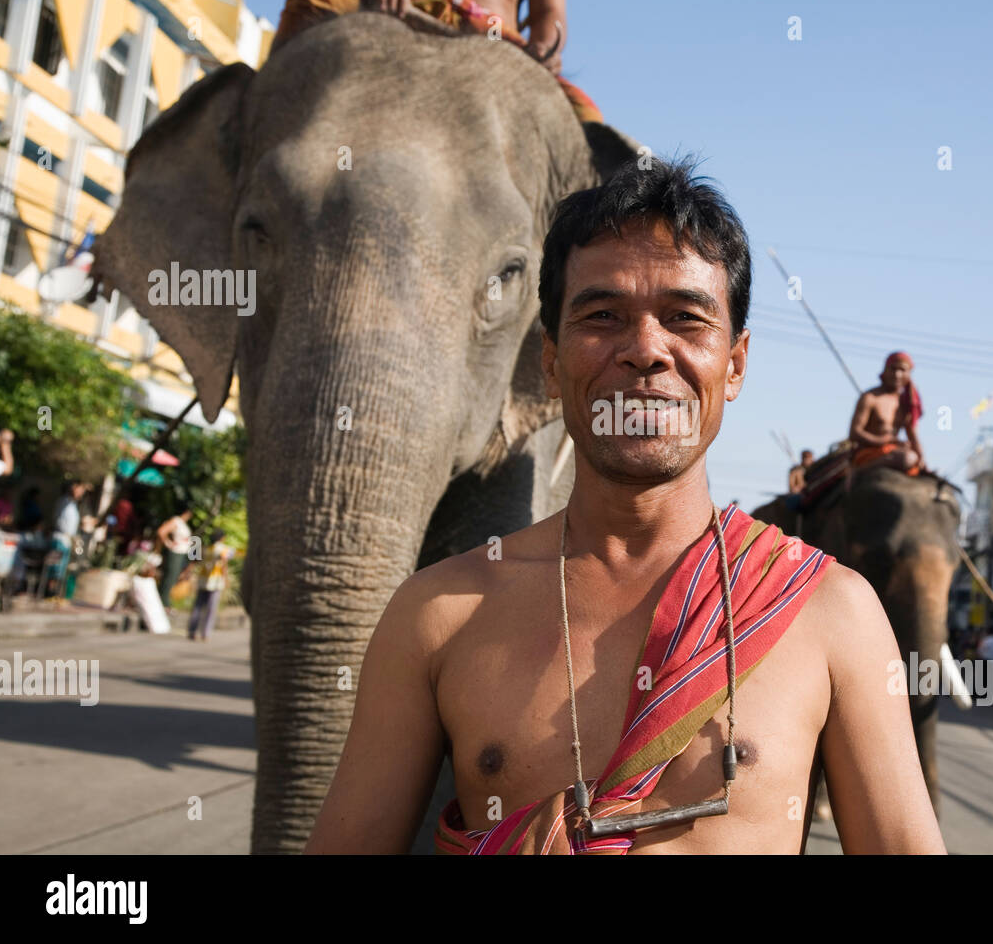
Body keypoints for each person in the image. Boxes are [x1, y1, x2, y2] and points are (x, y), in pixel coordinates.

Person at [306, 158, 946, 855]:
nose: (645, 350)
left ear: (734, 365)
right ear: (549, 362)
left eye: (684, 319)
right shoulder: (438, 615)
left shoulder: (832, 613)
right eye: (603, 316)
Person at [271, 0, 568, 75]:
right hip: (399, 21)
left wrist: (545, 46)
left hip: (494, 42)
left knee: (587, 128)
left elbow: (549, 12)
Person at [846, 352, 926, 478]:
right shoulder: (870, 398)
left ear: (909, 374)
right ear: (885, 371)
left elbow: (913, 437)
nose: (897, 374)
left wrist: (922, 460)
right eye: (893, 369)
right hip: (869, 453)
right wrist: (884, 441)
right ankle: (860, 471)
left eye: (902, 370)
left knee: (914, 463)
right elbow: (854, 433)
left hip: (893, 452)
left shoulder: (906, 403)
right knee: (907, 458)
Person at [187, 530, 234, 642]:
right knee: (211, 608)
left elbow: (195, 560)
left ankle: (192, 631)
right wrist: (225, 577)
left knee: (198, 606)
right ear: (222, 538)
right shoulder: (222, 548)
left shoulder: (205, 548)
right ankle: (205, 633)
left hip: (203, 580)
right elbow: (224, 561)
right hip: (215, 581)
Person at [156, 505, 194, 609]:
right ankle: (163, 602)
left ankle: (165, 601)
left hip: (181, 553)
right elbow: (161, 532)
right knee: (169, 577)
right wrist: (168, 543)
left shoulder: (181, 523)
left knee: (173, 577)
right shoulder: (176, 521)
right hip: (175, 553)